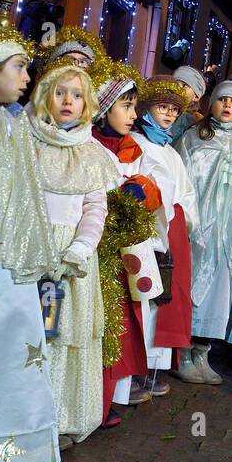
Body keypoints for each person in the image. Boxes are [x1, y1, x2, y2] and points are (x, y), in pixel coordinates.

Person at [0, 17, 60, 462]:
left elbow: (26, 193)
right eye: (19, 67)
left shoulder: (14, 123)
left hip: (11, 259)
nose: (27, 78)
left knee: (14, 349)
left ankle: (8, 449)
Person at [27, 58, 118, 448]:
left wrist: (82, 247)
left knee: (64, 337)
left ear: (87, 104)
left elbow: (95, 207)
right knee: (28, 335)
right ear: (46, 96)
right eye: (60, 92)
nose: (68, 101)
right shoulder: (26, 140)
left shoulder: (92, 153)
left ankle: (60, 416)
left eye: (77, 95)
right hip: (29, 249)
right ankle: (23, 414)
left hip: (71, 260)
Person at [176, 80, 232, 384]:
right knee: (193, 285)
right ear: (210, 104)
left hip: (231, 232)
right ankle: (181, 352)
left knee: (219, 291)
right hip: (201, 229)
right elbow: (185, 180)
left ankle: (203, 352)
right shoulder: (194, 138)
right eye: (222, 100)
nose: (227, 105)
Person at [90, 64, 166, 422]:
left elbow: (154, 191)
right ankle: (91, 400)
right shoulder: (89, 146)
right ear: (105, 107)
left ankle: (112, 397)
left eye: (136, 107)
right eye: (127, 106)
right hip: (98, 249)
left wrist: (145, 192)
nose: (134, 115)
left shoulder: (133, 149)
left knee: (123, 322)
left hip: (126, 251)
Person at [132, 75, 199, 384]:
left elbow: (186, 193)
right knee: (142, 298)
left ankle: (153, 365)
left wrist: (183, 220)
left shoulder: (171, 152)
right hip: (144, 232)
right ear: (146, 108)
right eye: (163, 106)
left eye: (174, 109)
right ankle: (134, 368)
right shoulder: (136, 144)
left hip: (170, 233)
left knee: (164, 299)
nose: (170, 113)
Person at [167, 65, 207, 143]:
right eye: (175, 84)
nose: (178, 88)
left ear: (196, 96)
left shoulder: (195, 121)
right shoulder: (160, 109)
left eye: (184, 85)